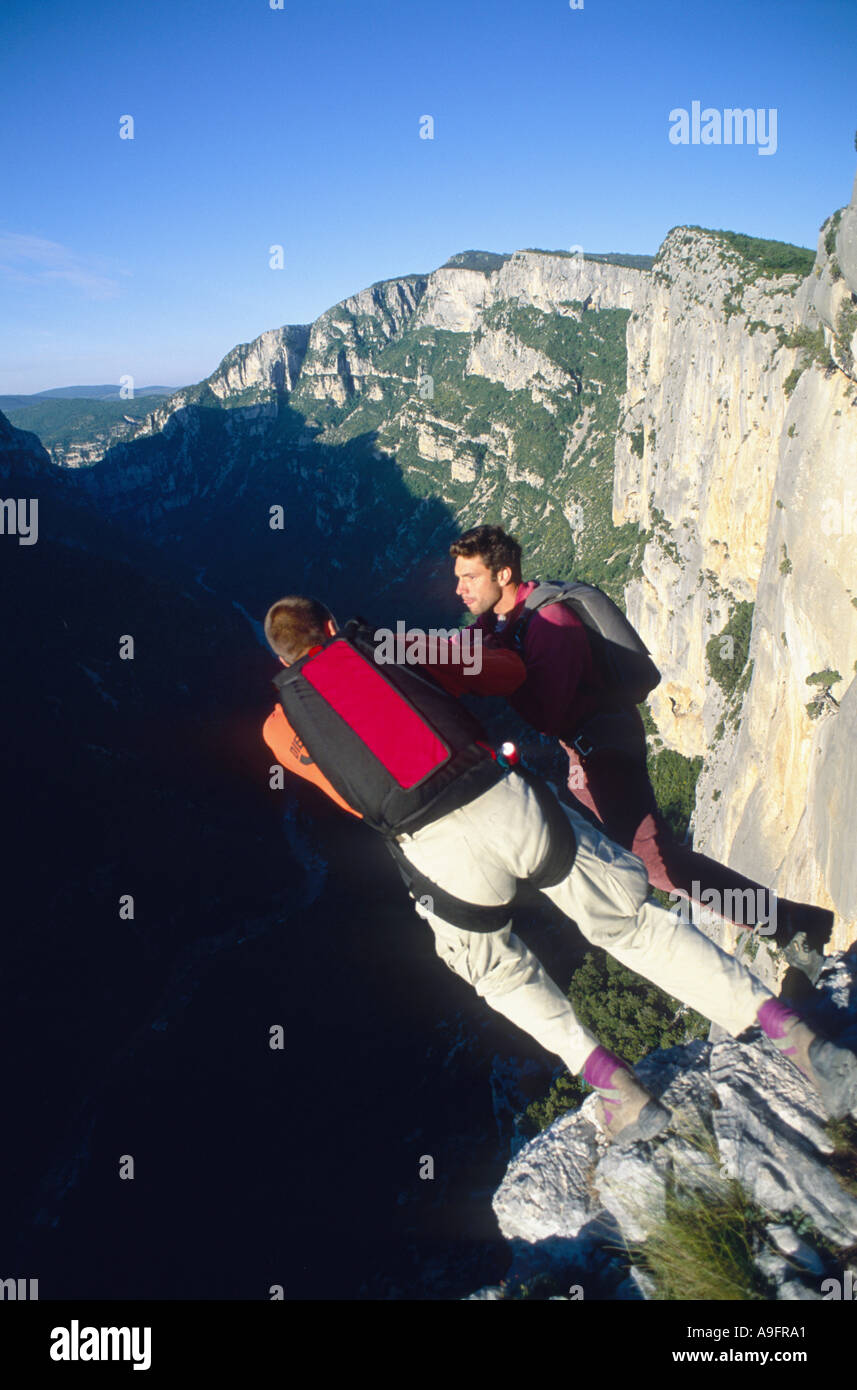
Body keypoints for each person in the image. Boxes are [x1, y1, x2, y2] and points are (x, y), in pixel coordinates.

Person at [259, 594, 857, 1146]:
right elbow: (505, 675)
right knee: (630, 925)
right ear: (333, 627)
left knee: (500, 976)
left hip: (435, 853)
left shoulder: (281, 728)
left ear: (282, 659)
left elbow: (349, 798)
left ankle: (614, 1089)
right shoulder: (391, 646)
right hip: (504, 798)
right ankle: (792, 1037)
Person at [449, 524, 834, 984]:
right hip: (586, 750)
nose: (459, 588)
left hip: (606, 747)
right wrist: (391, 648)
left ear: (504, 574)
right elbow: (468, 644)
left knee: (655, 861)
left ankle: (792, 924)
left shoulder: (553, 626)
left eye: (470, 577)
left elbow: (547, 713)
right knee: (646, 858)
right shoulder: (504, 621)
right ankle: (788, 924)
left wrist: (497, 673)